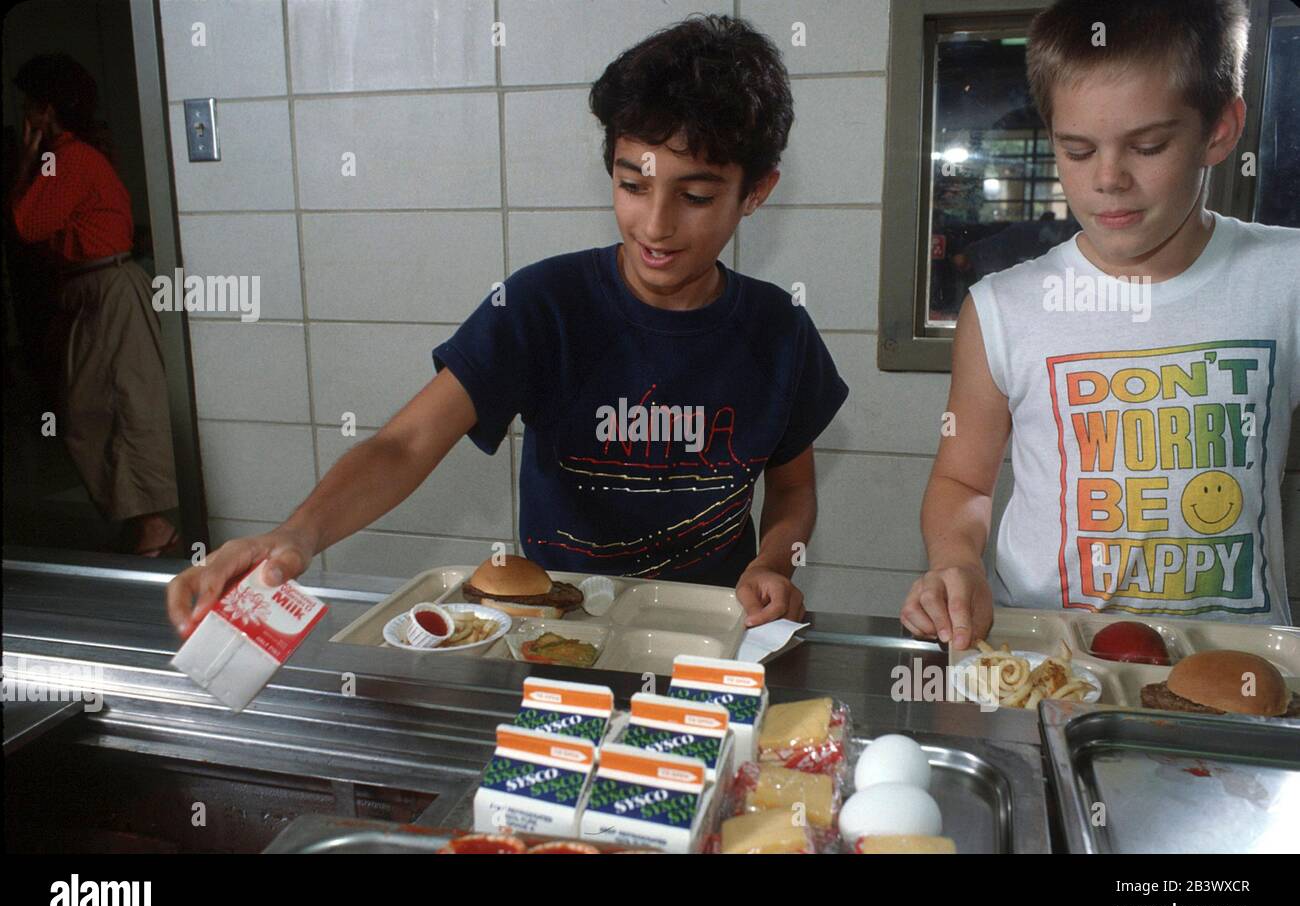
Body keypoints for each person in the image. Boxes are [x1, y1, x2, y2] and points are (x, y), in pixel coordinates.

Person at [167, 15, 848, 634]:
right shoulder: (541, 306)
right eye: (632, 186)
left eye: (695, 196)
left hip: (713, 630)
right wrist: (297, 533)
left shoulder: (778, 332)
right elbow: (405, 445)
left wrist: (773, 567)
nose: (657, 225)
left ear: (755, 191)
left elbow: (792, 490)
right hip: (562, 631)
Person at [903, 0, 1299, 649]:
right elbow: (963, 481)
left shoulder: (1285, 278)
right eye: (1078, 149)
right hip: (1044, 655)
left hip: (1239, 663)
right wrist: (956, 560)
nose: (1109, 179)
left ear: (1221, 130)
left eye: (1148, 145)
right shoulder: (1005, 308)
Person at [9, 53, 180, 556]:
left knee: (121, 407)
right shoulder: (66, 156)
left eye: (29, 105)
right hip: (96, 288)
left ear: (44, 110)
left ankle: (154, 523)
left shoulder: (67, 158)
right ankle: (146, 518)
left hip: (107, 288)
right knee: (95, 410)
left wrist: (25, 157)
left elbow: (25, 225)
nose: (25, 114)